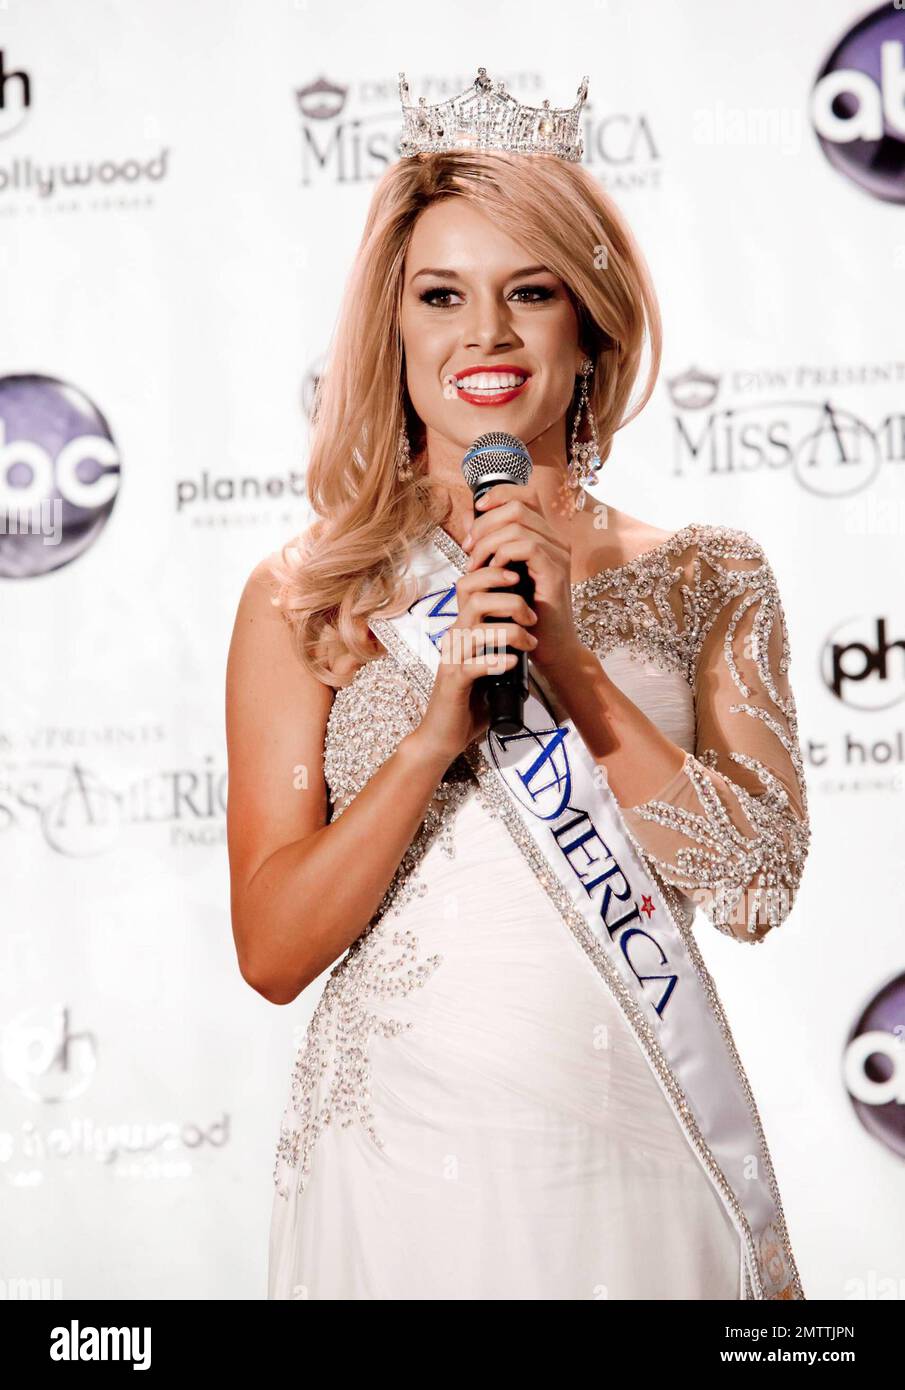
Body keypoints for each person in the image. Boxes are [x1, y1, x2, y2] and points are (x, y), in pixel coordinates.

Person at [225, 70, 810, 1301]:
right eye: (440, 295)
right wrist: (431, 732)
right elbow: (273, 951)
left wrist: (574, 672)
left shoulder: (708, 575)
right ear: (393, 333)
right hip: (394, 1176)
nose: (483, 335)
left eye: (527, 292)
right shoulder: (304, 597)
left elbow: (755, 883)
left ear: (588, 327)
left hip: (632, 1161)